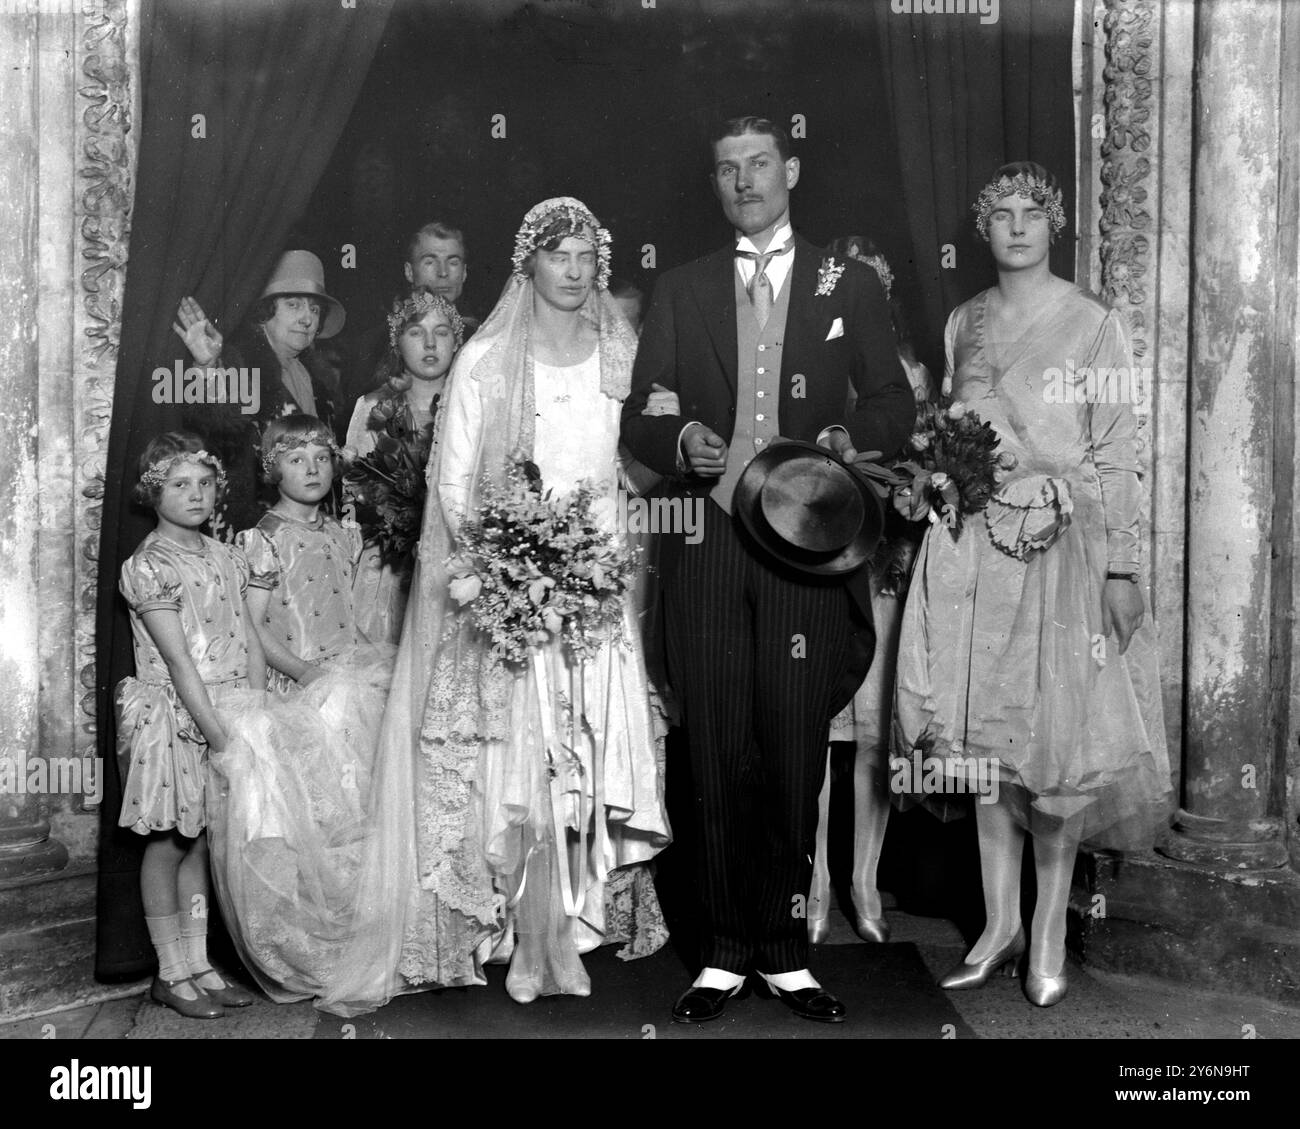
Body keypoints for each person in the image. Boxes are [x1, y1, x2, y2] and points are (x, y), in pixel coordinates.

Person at [620, 116, 915, 1024]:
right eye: (726, 169)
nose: (743, 180)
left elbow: (894, 401)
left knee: (791, 749)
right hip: (708, 542)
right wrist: (681, 437)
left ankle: (786, 952)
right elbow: (638, 417)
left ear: (790, 169)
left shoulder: (848, 283)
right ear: (715, 184)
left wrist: (847, 437)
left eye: (758, 163)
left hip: (807, 543)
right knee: (713, 749)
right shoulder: (682, 286)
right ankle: (722, 952)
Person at [371, 196, 671, 1006]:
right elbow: (455, 484)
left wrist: (605, 547)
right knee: (524, 760)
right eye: (557, 256)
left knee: (586, 748)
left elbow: (636, 463)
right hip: (516, 591)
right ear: (527, 264)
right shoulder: (485, 357)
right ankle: (528, 935)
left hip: (597, 586)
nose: (572, 272)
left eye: (585, 257)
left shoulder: (623, 349)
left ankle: (577, 917)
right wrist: (512, 561)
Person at [893, 162, 1171, 1006]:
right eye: (1001, 214)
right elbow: (951, 431)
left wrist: (1122, 566)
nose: (1016, 227)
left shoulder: (1094, 324)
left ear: (1054, 226)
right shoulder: (964, 321)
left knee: (1054, 752)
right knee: (985, 744)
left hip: (1061, 553)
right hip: (977, 551)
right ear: (983, 228)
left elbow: (1117, 453)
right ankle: (998, 923)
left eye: (1032, 213)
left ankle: (1047, 927)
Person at [204, 414, 397, 1013]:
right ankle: (313, 953)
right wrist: (306, 675)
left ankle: (361, 942)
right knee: (307, 822)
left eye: (320, 458)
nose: (311, 469)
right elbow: (254, 629)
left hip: (350, 685)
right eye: (295, 459)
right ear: (273, 470)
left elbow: (351, 614)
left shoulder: (344, 535)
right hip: (300, 694)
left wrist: (369, 665)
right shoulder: (260, 539)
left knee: (359, 817)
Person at [809, 237, 933, 946]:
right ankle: (816, 881)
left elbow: (927, 466)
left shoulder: (911, 373)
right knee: (818, 728)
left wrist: (917, 490)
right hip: (824, 565)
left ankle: (864, 879)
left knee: (873, 735)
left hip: (887, 568)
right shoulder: (811, 365)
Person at [115, 434, 263, 1018]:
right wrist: (219, 735)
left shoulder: (227, 555)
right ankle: (170, 972)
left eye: (205, 483)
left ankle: (199, 962)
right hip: (176, 717)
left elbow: (249, 638)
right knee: (168, 841)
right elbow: (179, 663)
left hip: (228, 706)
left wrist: (255, 714)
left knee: (200, 840)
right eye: (180, 485)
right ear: (154, 494)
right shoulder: (149, 565)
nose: (196, 494)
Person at [173, 250, 347, 539]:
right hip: (250, 533)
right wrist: (207, 366)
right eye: (293, 305)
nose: (307, 318)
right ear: (266, 312)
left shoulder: (319, 382)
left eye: (315, 310)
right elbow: (215, 422)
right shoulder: (239, 363)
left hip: (309, 535)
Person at [344, 289, 464, 644]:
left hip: (455, 560)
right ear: (397, 343)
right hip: (390, 564)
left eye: (441, 332)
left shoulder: (469, 405)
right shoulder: (372, 407)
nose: (430, 344)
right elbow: (354, 493)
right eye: (416, 332)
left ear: (457, 342)